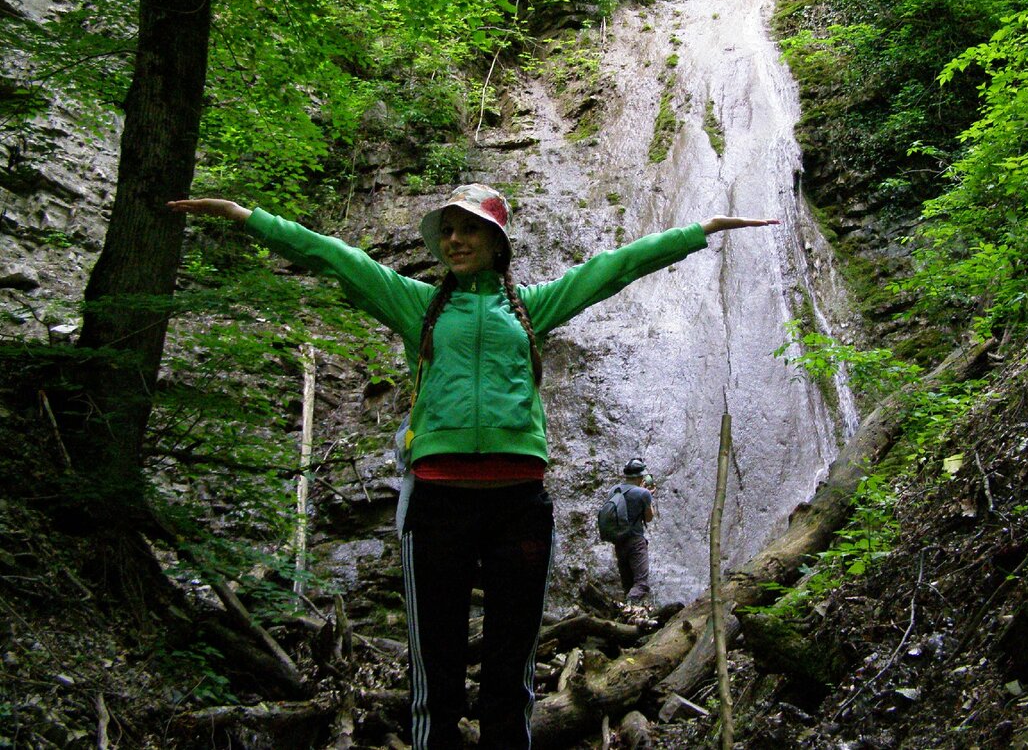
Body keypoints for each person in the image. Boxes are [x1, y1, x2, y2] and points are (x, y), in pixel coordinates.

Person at [167, 186, 777, 750]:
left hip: (520, 504)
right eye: (448, 231)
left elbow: (611, 268)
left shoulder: (530, 309)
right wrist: (247, 218)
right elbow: (336, 258)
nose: (454, 240)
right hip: (438, 505)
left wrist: (702, 228)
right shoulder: (417, 306)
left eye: (469, 229)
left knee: (510, 676)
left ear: (497, 243)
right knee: (436, 674)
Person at [611, 457, 656, 606]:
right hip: (636, 542)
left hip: (619, 542)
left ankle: (629, 615)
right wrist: (648, 496)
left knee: (628, 585)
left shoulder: (614, 490)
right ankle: (629, 607)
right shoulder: (643, 494)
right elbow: (648, 518)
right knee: (641, 584)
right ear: (640, 476)